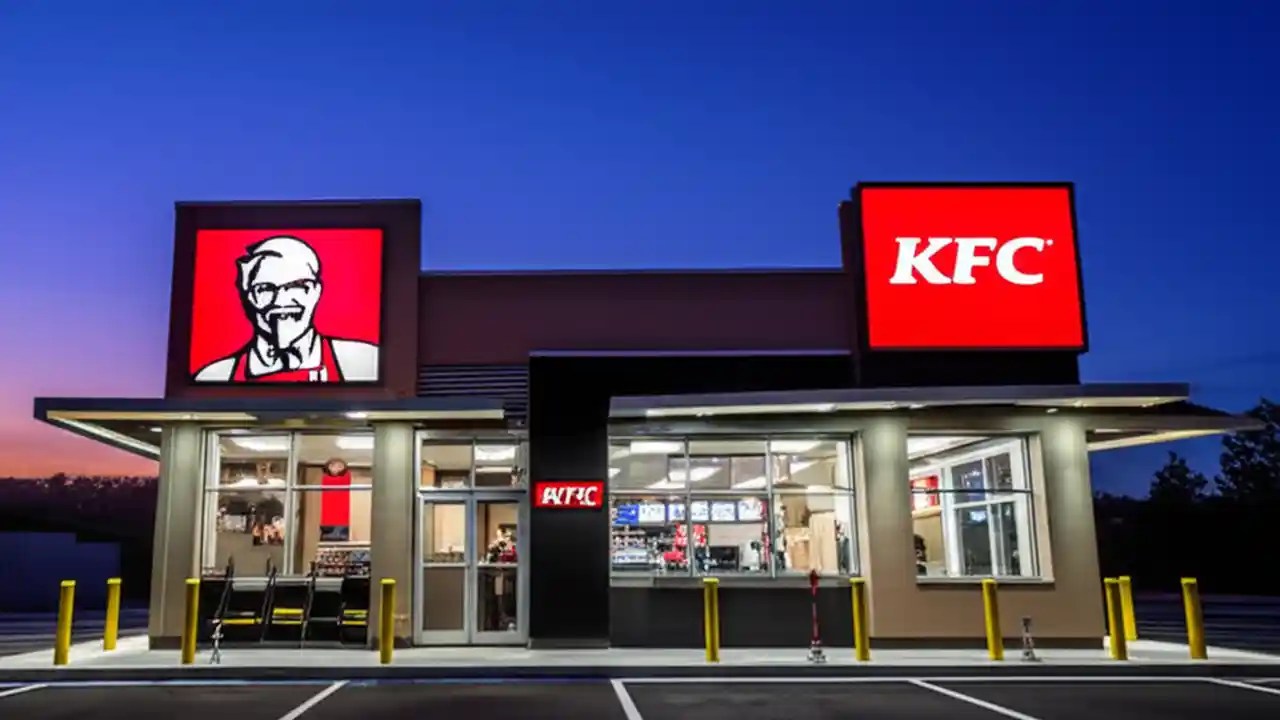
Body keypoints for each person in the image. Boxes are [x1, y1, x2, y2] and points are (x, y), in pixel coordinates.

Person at [194, 235, 378, 382]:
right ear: (249, 296)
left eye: (297, 286)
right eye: (265, 288)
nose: (280, 301)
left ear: (316, 292)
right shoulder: (215, 377)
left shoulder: (364, 362)